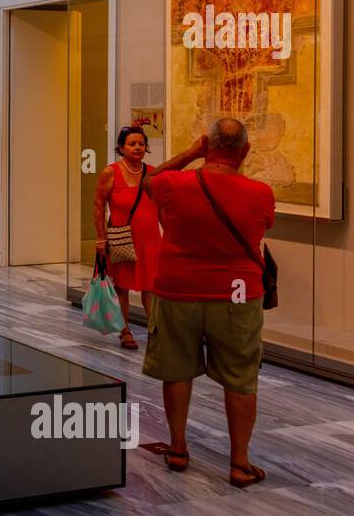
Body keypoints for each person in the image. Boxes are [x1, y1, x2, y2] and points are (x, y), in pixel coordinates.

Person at [143, 117, 275, 488]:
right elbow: (266, 226)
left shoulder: (174, 184)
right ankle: (239, 463)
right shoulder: (260, 192)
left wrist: (190, 153)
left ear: (207, 145)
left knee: (177, 370)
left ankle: (179, 448)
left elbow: (148, 181)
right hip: (236, 295)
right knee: (240, 378)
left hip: (178, 289)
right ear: (245, 151)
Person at [93, 126, 208, 350]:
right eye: (132, 144)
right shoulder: (111, 172)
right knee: (122, 287)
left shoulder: (154, 173)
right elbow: (98, 206)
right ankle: (124, 331)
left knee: (152, 289)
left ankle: (156, 330)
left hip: (150, 240)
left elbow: (162, 210)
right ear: (121, 147)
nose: (137, 148)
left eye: (141, 144)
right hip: (122, 238)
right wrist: (100, 238)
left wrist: (172, 237)